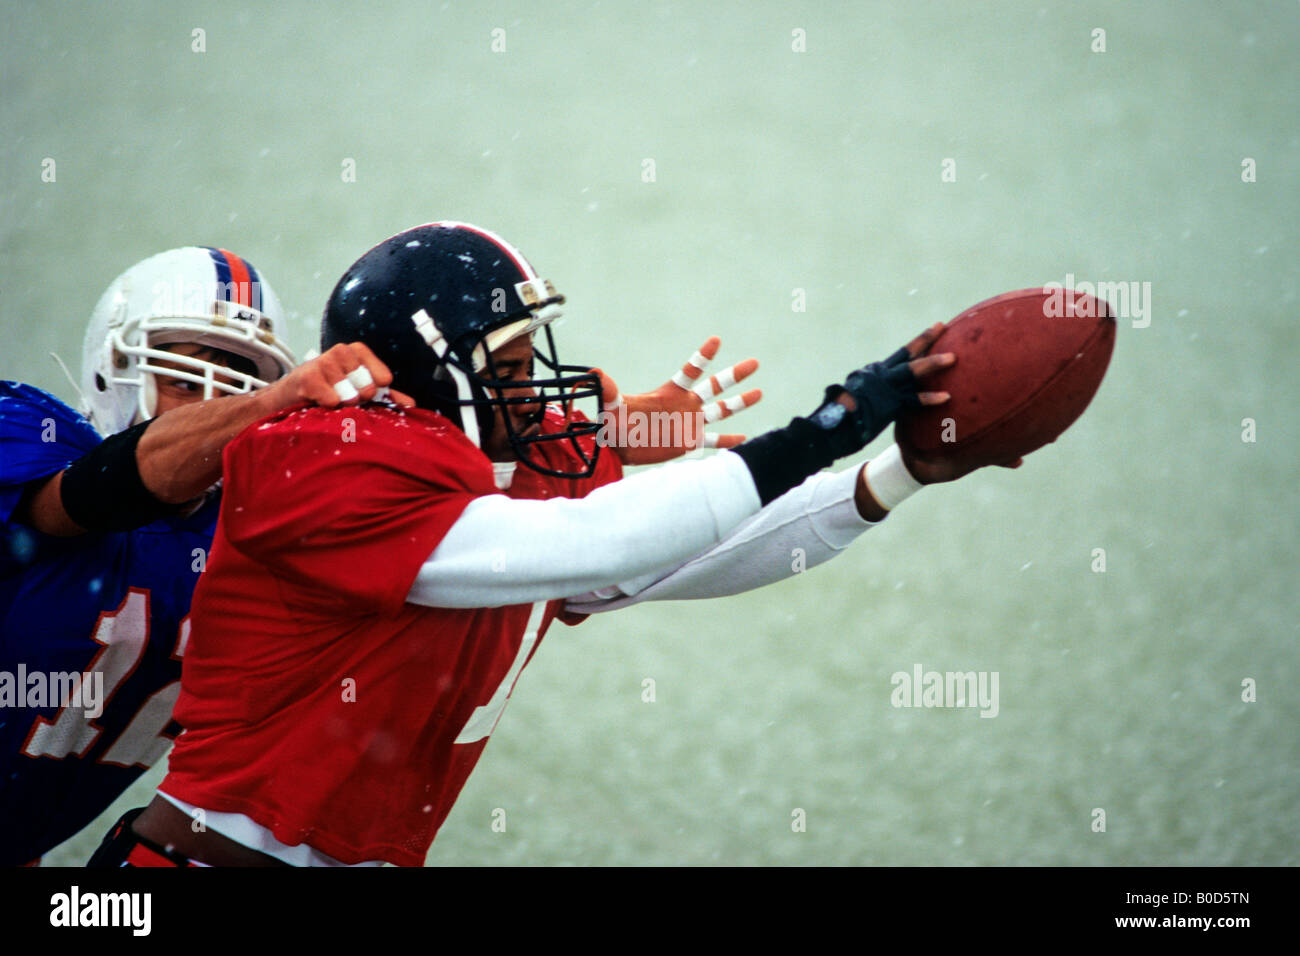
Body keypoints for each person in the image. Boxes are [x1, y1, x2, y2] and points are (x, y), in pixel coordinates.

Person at [93, 221, 1008, 868]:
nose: (538, 388)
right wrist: (826, 427)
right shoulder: (323, 458)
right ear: (427, 367)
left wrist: (898, 473)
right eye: (512, 364)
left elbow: (676, 554)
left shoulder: (518, 500)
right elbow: (599, 538)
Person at [0, 246, 413, 866]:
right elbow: (90, 497)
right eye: (185, 380)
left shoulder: (248, 530)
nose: (209, 408)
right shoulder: (31, 432)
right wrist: (272, 402)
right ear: (112, 368)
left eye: (240, 388)